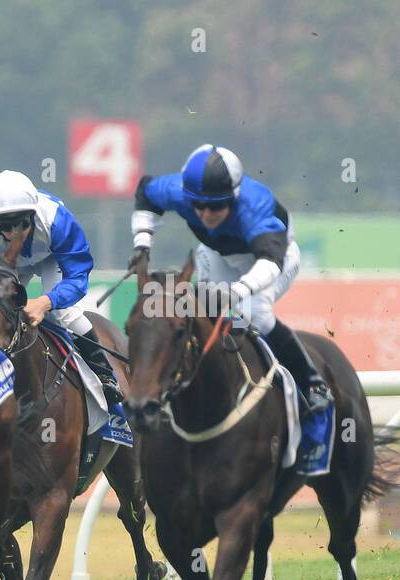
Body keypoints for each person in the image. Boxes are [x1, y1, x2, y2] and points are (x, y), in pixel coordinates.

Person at [130, 144, 331, 414]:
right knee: (200, 313)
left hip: (270, 258)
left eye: (215, 206)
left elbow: (271, 262)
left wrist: (236, 292)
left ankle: (311, 383)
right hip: (218, 253)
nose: (205, 214)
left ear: (234, 197)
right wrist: (142, 243)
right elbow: (145, 194)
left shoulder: (255, 207)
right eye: (198, 205)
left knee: (253, 312)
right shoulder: (176, 190)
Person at [0, 170, 122, 406]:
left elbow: (78, 278)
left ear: (33, 214)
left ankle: (105, 375)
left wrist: (44, 302)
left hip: (51, 257)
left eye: (21, 223)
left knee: (63, 313)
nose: (13, 233)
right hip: (8, 262)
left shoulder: (58, 222)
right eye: (4, 226)